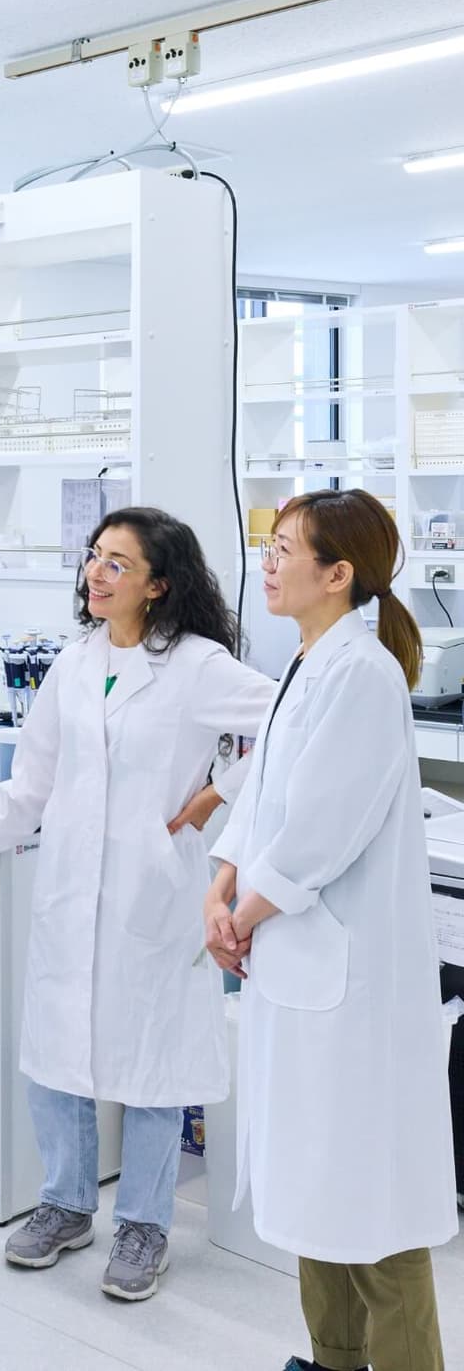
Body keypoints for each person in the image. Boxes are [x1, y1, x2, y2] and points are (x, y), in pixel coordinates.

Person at [0, 507, 276, 1301]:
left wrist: (215, 795)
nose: (96, 571)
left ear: (158, 585)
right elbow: (34, 781)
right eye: (95, 556)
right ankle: (65, 1204)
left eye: (118, 562)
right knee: (58, 1052)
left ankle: (145, 1225)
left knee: (153, 1064)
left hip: (152, 888)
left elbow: (292, 721)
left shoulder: (197, 665)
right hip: (69, 887)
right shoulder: (76, 662)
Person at [205, 489, 457, 1371]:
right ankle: (332, 1358)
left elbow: (320, 826)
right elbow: (264, 795)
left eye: (285, 550)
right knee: (318, 1188)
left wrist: (242, 914)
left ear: (338, 573)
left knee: (374, 1205)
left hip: (350, 991)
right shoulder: (309, 662)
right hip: (298, 965)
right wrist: (224, 879)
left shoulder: (363, 673)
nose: (268, 563)